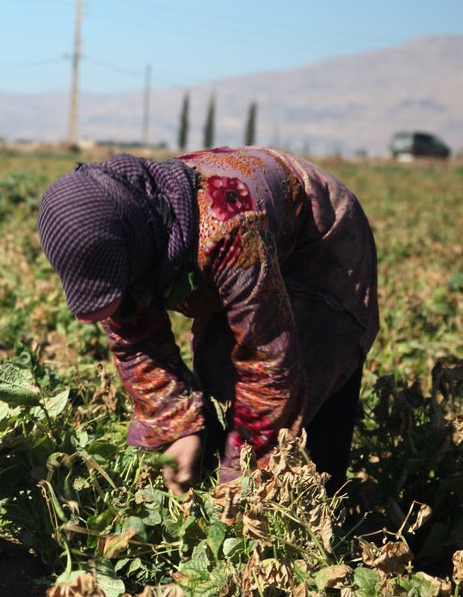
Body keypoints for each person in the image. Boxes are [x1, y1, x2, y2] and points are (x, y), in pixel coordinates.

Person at [37, 146, 379, 496]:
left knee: (313, 380)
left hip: (319, 242)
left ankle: (329, 502)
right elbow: (134, 342)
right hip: (245, 240)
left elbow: (268, 365)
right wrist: (179, 427)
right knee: (219, 378)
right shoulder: (122, 241)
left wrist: (236, 486)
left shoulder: (229, 225)